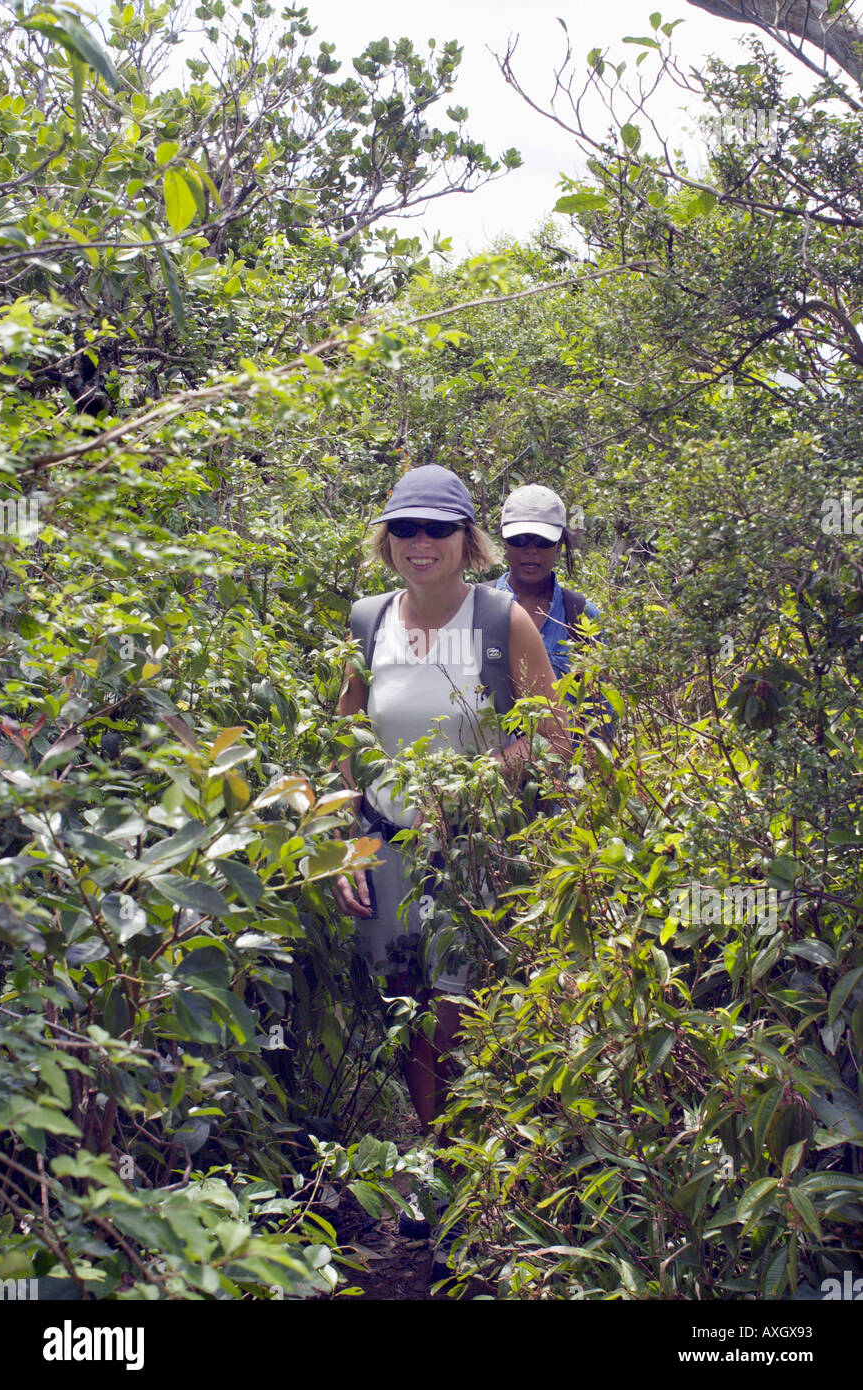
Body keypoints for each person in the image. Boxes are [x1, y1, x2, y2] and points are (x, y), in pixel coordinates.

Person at [331, 464, 570, 1274]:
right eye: (406, 529)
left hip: (471, 853)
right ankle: (436, 1183)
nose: (420, 545)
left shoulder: (501, 619)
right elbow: (350, 744)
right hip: (387, 851)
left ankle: (476, 1194)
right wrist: (341, 844)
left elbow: (550, 734)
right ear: (388, 541)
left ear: (468, 541)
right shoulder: (368, 621)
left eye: (438, 530)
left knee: (458, 1019)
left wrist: (473, 784)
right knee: (406, 1018)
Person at [495, 483, 611, 738]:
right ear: (504, 540)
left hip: (564, 770)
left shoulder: (581, 615)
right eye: (520, 539)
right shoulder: (478, 606)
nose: (531, 550)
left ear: (559, 544)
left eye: (543, 541)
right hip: (492, 769)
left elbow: (600, 715)